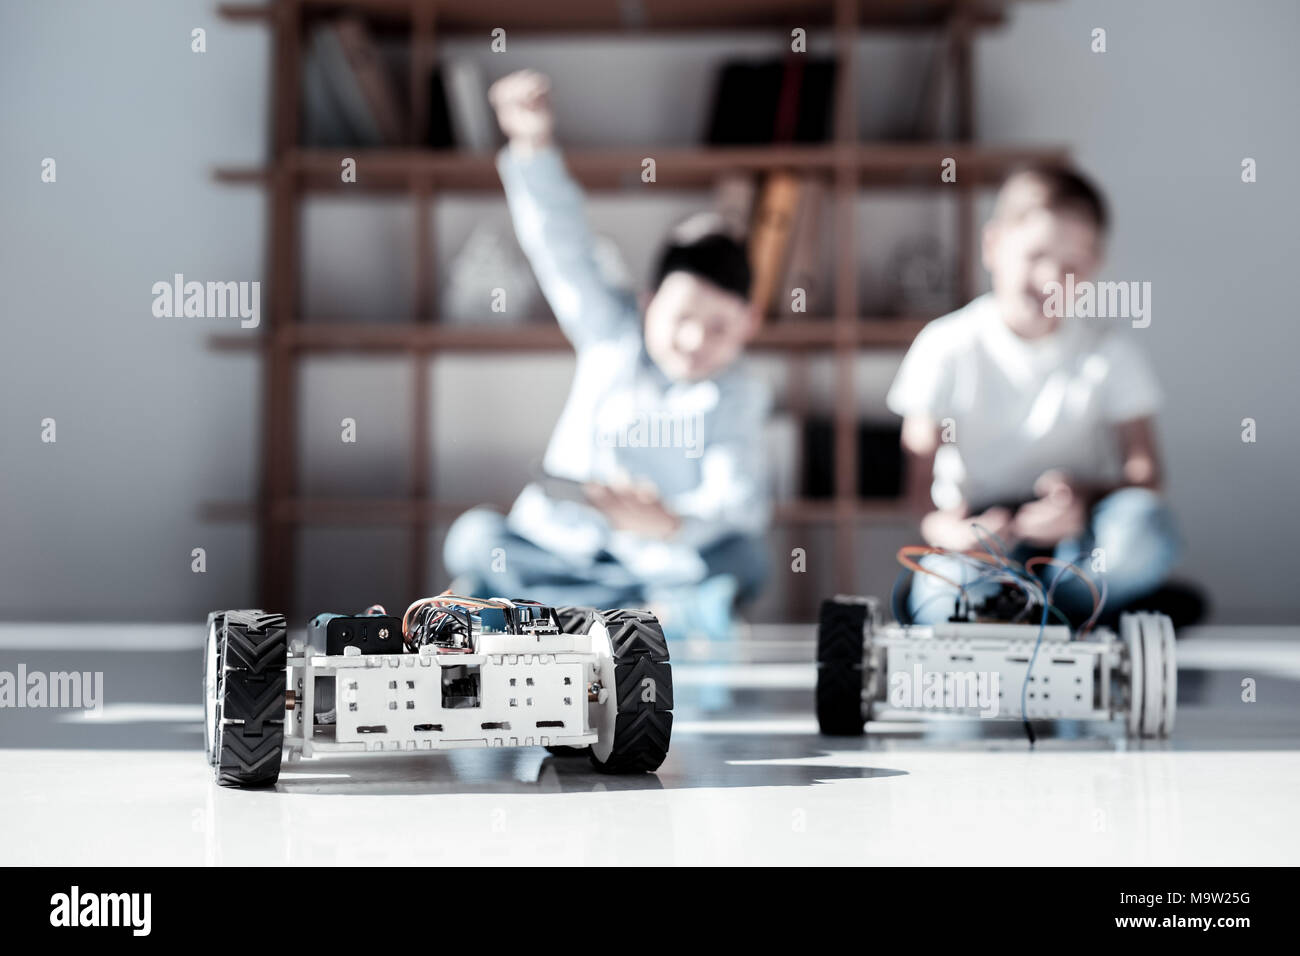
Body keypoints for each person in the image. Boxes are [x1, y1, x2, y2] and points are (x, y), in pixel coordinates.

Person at [443, 70, 769, 640]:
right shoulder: (611, 333)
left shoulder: (739, 393)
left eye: (718, 327)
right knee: (474, 538)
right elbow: (560, 245)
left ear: (750, 324)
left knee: (749, 558)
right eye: (681, 319)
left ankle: (557, 617)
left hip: (654, 562)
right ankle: (618, 621)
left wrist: (670, 522)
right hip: (562, 550)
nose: (694, 341)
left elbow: (735, 500)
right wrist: (533, 145)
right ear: (647, 306)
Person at [887, 164, 1181, 625]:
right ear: (993, 246)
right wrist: (951, 531)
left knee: (1142, 531)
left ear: (1094, 269)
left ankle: (1031, 614)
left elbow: (1146, 475)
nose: (1050, 280)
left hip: (1075, 533)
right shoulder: (944, 346)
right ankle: (1082, 613)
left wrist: (1082, 497)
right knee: (944, 598)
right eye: (1036, 255)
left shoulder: (1109, 350)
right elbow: (919, 489)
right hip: (983, 534)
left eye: (1070, 267)